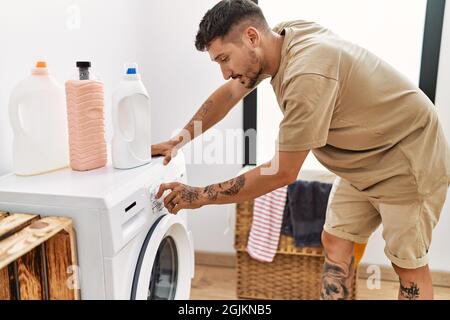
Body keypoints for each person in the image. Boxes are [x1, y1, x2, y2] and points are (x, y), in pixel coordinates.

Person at [152, 0, 450, 300]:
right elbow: (230, 93)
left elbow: (281, 172)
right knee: (335, 240)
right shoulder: (283, 37)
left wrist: (199, 195)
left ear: (252, 37)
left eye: (224, 59)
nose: (225, 72)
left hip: (408, 157)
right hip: (365, 159)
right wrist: (179, 140)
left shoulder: (307, 75)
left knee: (408, 268)